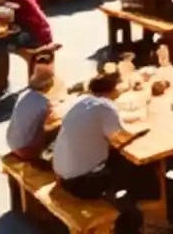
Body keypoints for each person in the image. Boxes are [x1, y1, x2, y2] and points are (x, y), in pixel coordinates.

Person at [53, 71, 153, 233]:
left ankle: (132, 205)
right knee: (138, 167)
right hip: (82, 183)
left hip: (63, 175)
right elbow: (121, 138)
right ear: (112, 88)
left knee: (120, 161)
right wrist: (141, 130)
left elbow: (108, 124)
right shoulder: (105, 107)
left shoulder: (83, 101)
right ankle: (138, 216)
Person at [6, 52, 56, 162]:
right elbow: (49, 122)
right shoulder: (43, 103)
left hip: (11, 143)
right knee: (56, 130)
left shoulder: (23, 94)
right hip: (25, 149)